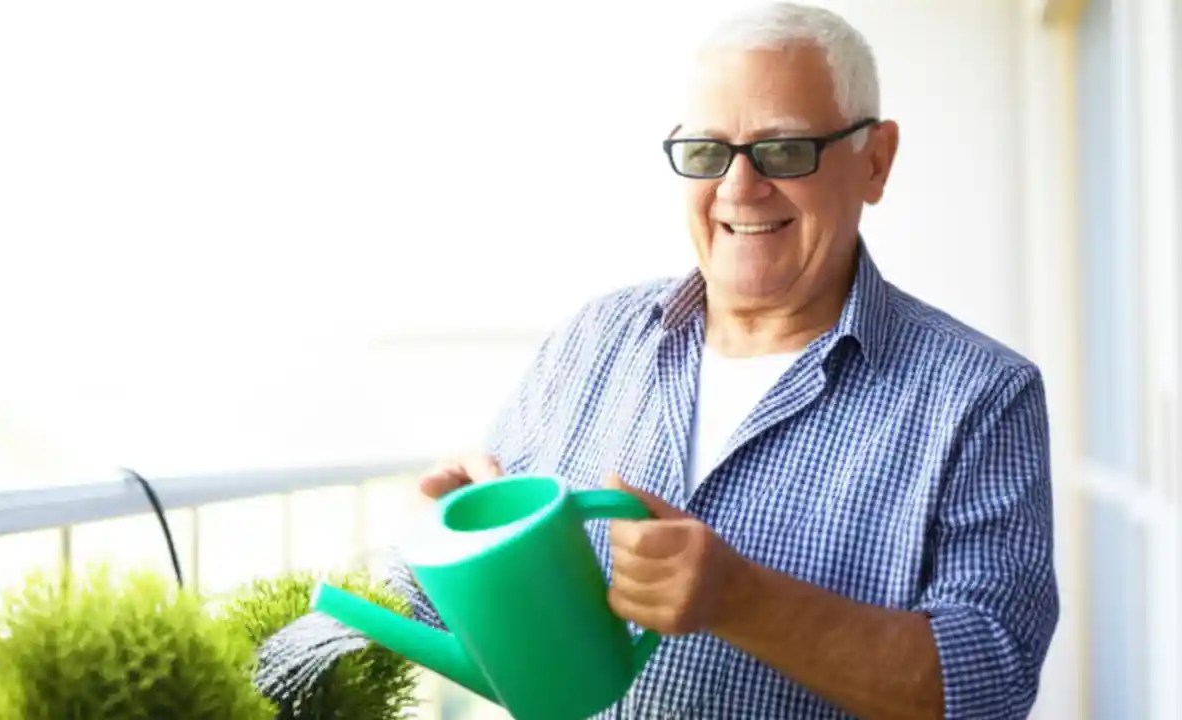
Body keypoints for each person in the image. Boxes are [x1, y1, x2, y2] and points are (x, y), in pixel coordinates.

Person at [390, 2, 1059, 718]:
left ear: (876, 159)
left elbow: (991, 682)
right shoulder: (592, 340)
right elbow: (439, 615)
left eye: (785, 150)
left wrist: (743, 599)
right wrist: (457, 539)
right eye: (708, 153)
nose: (740, 188)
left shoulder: (983, 394)